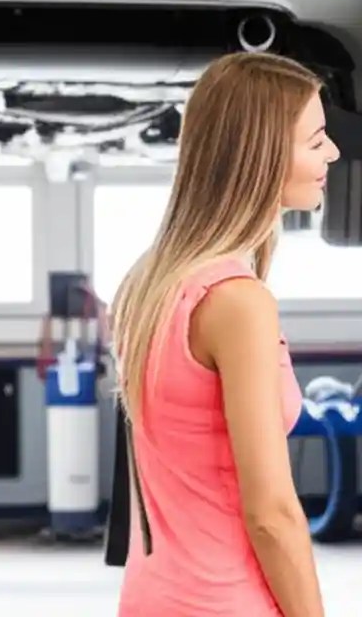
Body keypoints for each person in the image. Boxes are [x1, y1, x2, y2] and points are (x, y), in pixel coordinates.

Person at [109, 52, 340, 617]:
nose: (332, 152)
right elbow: (272, 515)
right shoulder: (238, 303)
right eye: (315, 141)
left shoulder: (147, 283)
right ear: (261, 157)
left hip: (153, 598)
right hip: (225, 602)